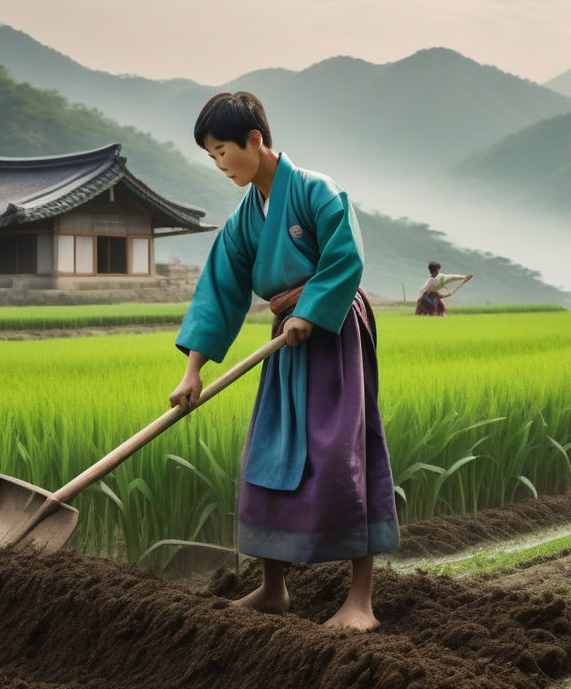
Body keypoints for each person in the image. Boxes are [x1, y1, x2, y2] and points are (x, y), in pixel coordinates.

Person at [168, 91, 398, 632]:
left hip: (334, 330)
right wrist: (192, 371)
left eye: (222, 151)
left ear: (254, 140)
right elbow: (218, 292)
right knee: (267, 454)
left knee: (341, 453)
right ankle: (273, 589)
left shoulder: (317, 191)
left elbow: (346, 256)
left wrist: (311, 310)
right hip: (286, 339)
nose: (219, 164)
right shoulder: (243, 221)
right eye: (211, 156)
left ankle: (360, 601)